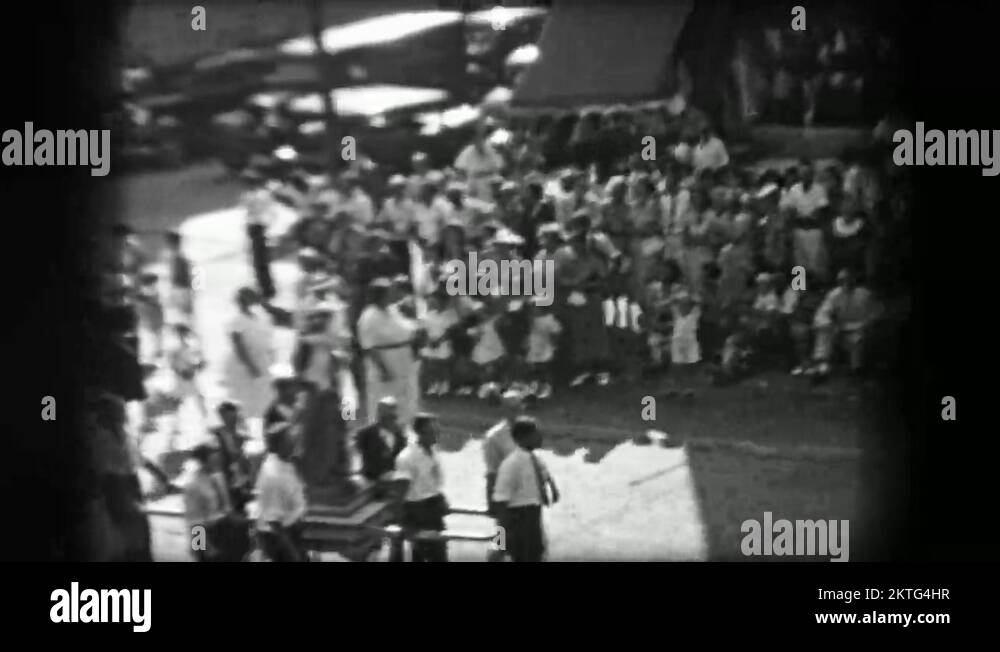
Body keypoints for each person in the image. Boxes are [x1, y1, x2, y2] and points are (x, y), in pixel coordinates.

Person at [492, 416, 559, 562]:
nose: (541, 437)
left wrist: (552, 487)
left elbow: (544, 473)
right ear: (524, 437)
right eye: (536, 433)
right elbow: (501, 506)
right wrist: (500, 542)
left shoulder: (535, 459)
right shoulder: (511, 464)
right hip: (519, 522)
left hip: (533, 518)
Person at [357, 278, 421, 424]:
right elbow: (369, 347)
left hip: (403, 356)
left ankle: (405, 426)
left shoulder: (393, 310)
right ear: (380, 295)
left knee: (407, 394)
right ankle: (381, 430)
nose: (394, 294)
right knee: (385, 397)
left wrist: (417, 330)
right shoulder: (369, 316)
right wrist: (382, 369)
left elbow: (405, 328)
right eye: (390, 292)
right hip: (386, 359)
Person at [394, 413, 449, 562]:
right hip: (418, 513)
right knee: (424, 555)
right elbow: (400, 494)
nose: (437, 434)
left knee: (439, 554)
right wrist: (404, 523)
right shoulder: (407, 457)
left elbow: (433, 484)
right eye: (433, 431)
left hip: (433, 511)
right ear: (420, 432)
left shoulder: (433, 452)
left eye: (438, 430)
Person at [182, 443, 249, 562]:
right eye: (214, 460)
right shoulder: (193, 485)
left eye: (218, 459)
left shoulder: (218, 477)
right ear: (203, 461)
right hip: (208, 535)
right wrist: (206, 549)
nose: (218, 463)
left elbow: (226, 508)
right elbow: (195, 522)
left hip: (226, 532)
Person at [221, 287, 275, 425]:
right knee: (246, 401)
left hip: (261, 363)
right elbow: (239, 347)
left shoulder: (259, 318)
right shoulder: (237, 321)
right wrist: (251, 367)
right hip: (245, 367)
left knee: (264, 399)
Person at [255, 427, 308, 562]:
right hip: (281, 539)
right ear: (278, 445)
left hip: (293, 530)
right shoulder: (273, 475)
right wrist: (293, 554)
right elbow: (274, 523)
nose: (294, 441)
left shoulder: (286, 461)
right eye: (290, 439)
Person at [810, 268, 875, 376]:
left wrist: (863, 326)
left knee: (856, 340)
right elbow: (821, 314)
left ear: (853, 280)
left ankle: (856, 370)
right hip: (839, 328)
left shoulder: (865, 295)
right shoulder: (834, 295)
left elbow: (873, 315)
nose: (845, 283)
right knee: (824, 331)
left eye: (847, 279)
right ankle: (822, 364)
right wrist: (831, 325)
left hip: (859, 329)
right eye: (841, 280)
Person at [482, 390, 524, 519]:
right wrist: (491, 502)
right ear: (504, 410)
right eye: (511, 408)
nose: (515, 412)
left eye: (518, 408)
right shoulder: (494, 437)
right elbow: (491, 472)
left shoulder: (528, 431)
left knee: (530, 537)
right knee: (502, 535)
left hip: (527, 498)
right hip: (505, 499)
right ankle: (501, 539)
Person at [355, 396, 407, 492]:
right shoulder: (365, 434)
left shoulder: (400, 434)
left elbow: (403, 456)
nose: (391, 421)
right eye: (386, 417)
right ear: (379, 415)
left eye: (392, 417)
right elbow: (363, 453)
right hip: (371, 482)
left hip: (394, 482)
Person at [210, 401, 254, 513]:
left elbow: (242, 456)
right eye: (227, 416)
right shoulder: (217, 435)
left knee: (241, 511)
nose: (233, 419)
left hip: (239, 481)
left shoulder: (239, 433)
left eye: (234, 416)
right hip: (227, 482)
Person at [454, 122, 505, 200]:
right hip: (473, 183)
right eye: (476, 136)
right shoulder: (467, 151)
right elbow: (460, 170)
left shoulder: (491, 149)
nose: (478, 139)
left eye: (481, 136)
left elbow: (499, 167)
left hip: (489, 183)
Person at [162, 230, 194, 321]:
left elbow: (186, 274)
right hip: (179, 288)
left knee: (183, 317)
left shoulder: (179, 257)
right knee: (182, 317)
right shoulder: (173, 256)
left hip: (181, 288)